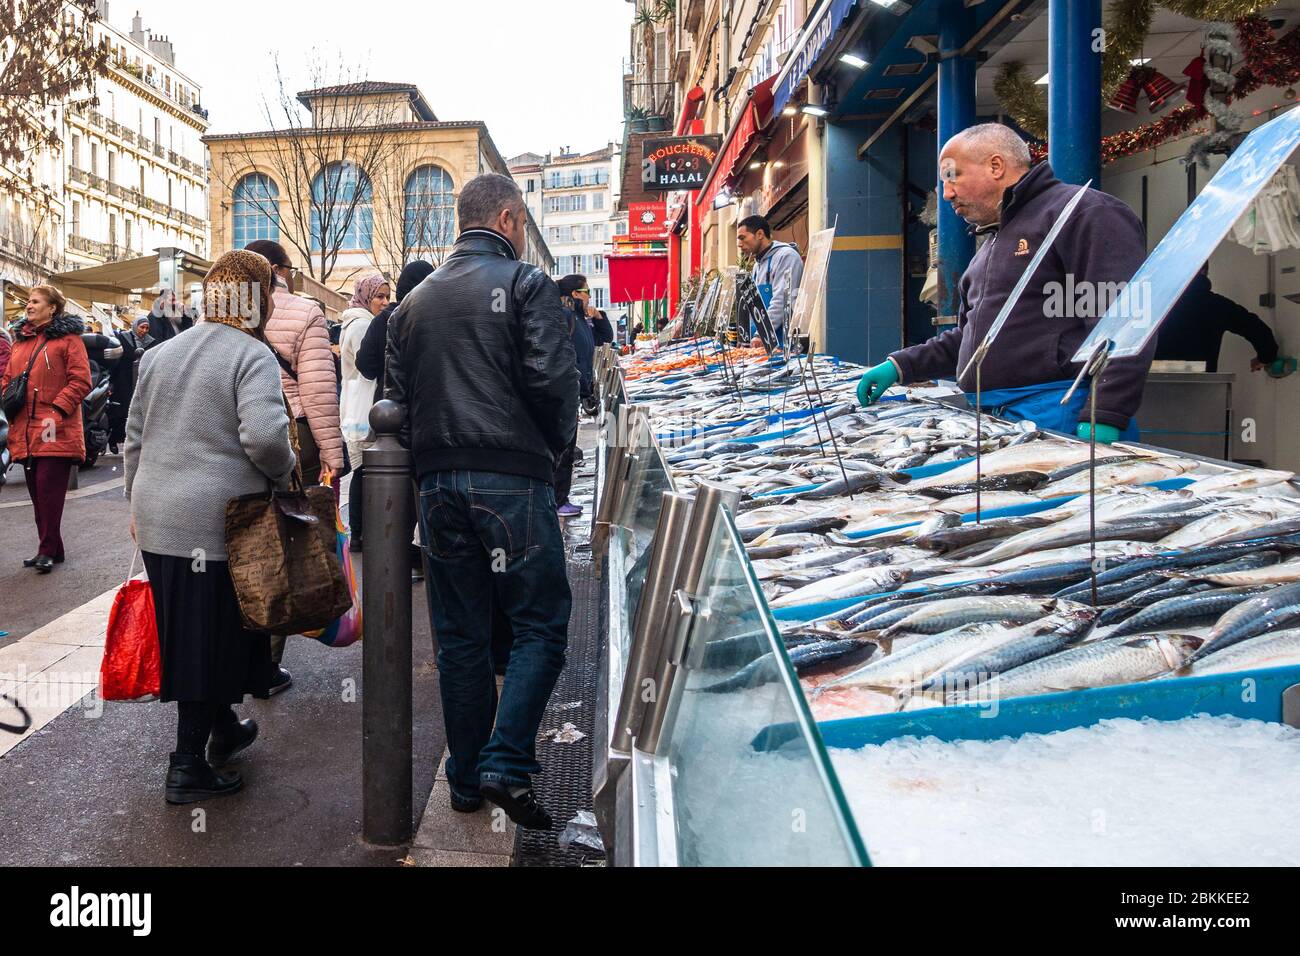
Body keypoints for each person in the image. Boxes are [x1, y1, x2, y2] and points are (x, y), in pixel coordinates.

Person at [388, 172, 577, 828]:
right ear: (505, 219)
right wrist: (555, 461)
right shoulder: (526, 285)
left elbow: (395, 404)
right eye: (522, 222)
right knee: (542, 621)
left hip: (437, 484)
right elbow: (557, 385)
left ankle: (467, 777)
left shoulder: (412, 304)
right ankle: (506, 759)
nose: (523, 234)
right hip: (510, 479)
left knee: (460, 634)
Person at [856, 123, 1154, 443]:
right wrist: (901, 366)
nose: (947, 193)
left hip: (1061, 415)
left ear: (995, 166)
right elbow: (975, 337)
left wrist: (1106, 412)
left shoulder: (1083, 213)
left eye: (952, 176)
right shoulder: (992, 243)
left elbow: (1124, 320)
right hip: (997, 421)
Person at [125, 250, 297, 805]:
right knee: (207, 636)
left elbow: (133, 437)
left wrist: (135, 502)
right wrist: (287, 473)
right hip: (217, 520)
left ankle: (223, 728)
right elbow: (267, 440)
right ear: (259, 298)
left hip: (158, 516)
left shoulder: (160, 353)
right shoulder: (252, 355)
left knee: (194, 631)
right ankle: (185, 767)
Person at [246, 239, 345, 691]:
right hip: (293, 434)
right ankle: (266, 662)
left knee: (242, 535)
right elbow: (319, 391)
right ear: (284, 270)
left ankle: (238, 650)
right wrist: (331, 452)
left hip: (240, 433)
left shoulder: (227, 314)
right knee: (283, 540)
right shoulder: (306, 313)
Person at [2, 285, 92, 572]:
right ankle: (55, 547)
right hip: (25, 428)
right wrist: (7, 397)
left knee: (48, 491)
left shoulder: (69, 340)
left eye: (35, 301)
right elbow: (7, 377)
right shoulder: (21, 341)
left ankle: (46, 550)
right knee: (37, 494)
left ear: (52, 307)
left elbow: (81, 381)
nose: (28, 305)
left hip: (55, 427)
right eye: (28, 301)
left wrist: (56, 409)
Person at [338, 274, 389, 552]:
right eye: (379, 296)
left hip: (357, 404)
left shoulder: (358, 321)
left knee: (363, 469)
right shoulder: (362, 325)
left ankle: (360, 533)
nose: (384, 301)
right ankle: (359, 533)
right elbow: (366, 367)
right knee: (363, 471)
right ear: (365, 296)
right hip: (363, 406)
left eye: (386, 295)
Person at [1156, 263, 1281, 373]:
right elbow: (1256, 328)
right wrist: (1266, 357)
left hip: (1152, 380)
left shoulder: (1153, 305)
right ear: (1204, 272)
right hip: (1200, 383)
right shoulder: (1215, 305)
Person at [554, 274, 595, 518]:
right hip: (566, 393)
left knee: (567, 449)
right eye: (586, 290)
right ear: (574, 295)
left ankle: (561, 498)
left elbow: (600, 340)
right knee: (564, 450)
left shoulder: (578, 318)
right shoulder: (565, 317)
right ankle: (558, 500)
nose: (590, 294)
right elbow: (569, 356)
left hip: (574, 390)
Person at [736, 215, 804, 347]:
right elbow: (755, 306)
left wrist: (761, 334)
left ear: (760, 234)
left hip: (783, 345)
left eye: (742, 238)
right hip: (762, 346)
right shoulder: (757, 266)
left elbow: (782, 301)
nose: (739, 244)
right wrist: (744, 336)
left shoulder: (786, 256)